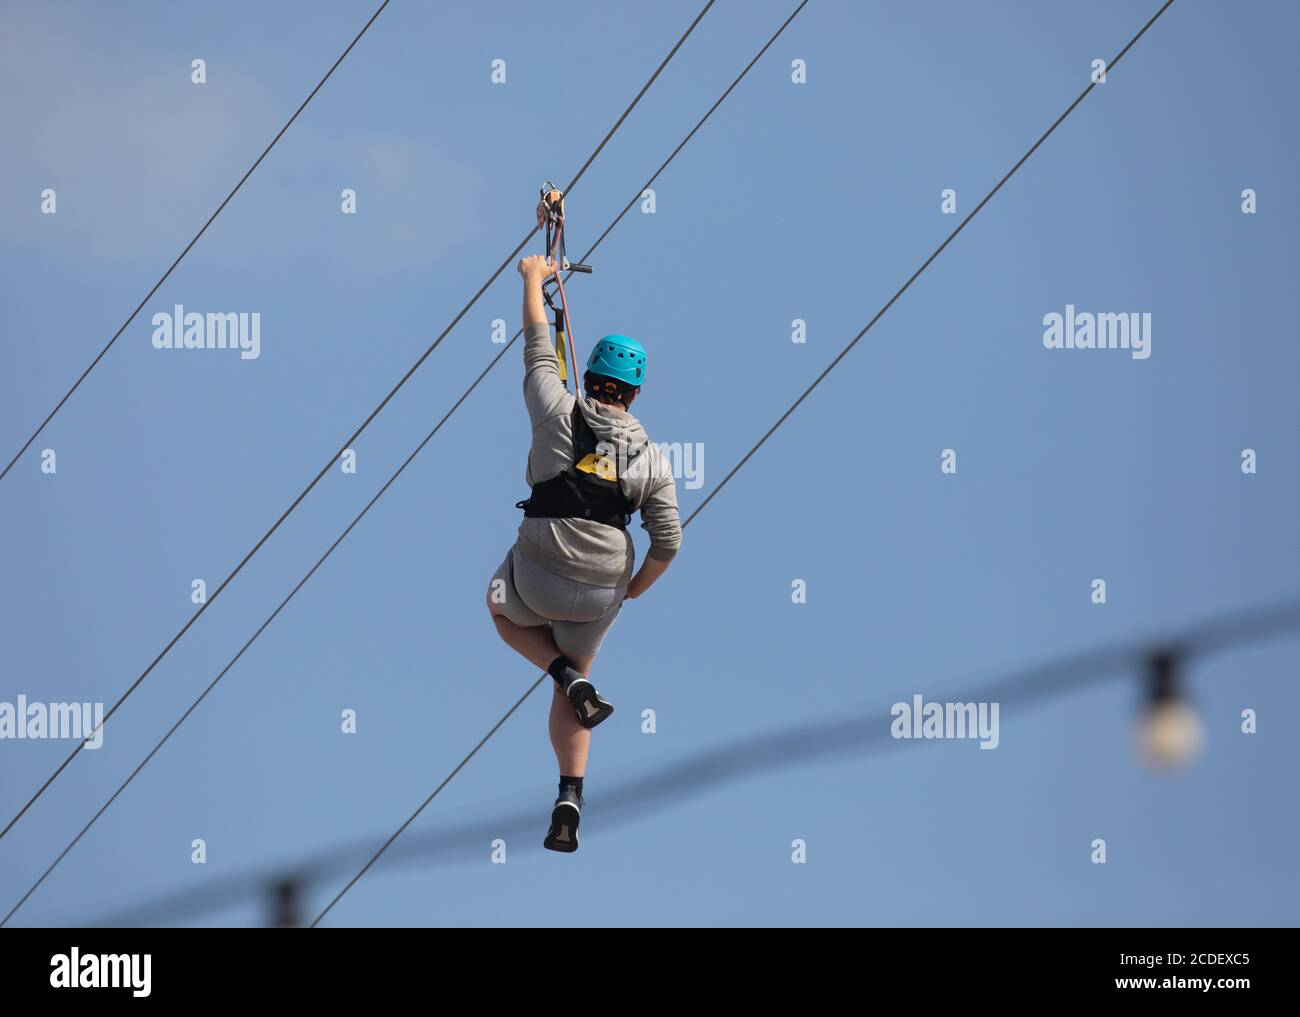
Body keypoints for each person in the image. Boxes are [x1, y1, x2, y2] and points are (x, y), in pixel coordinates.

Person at [486, 253, 681, 853]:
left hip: (539, 571)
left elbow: (537, 350)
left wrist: (531, 279)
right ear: (636, 393)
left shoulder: (555, 408)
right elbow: (668, 539)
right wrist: (632, 590)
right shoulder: (651, 457)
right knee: (579, 677)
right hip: (602, 587)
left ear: (589, 374)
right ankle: (569, 795)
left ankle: (563, 674)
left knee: (497, 605)